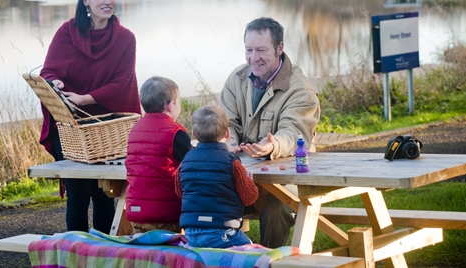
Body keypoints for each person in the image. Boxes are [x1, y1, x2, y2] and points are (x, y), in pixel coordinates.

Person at [39, 0, 142, 232]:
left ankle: (102, 252)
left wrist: (85, 98)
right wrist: (56, 83)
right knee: (77, 197)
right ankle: (77, 251)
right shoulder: (66, 32)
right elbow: (48, 71)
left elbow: (122, 82)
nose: (108, 1)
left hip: (107, 128)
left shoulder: (126, 39)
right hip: (71, 127)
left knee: (104, 196)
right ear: (85, 0)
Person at [219, 17, 320, 248]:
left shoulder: (301, 90)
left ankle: (269, 260)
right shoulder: (236, 78)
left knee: (276, 206)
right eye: (249, 50)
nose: (253, 58)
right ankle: (223, 258)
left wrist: (272, 146)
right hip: (243, 175)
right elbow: (226, 123)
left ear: (279, 48)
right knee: (207, 193)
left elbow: (294, 133)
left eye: (261, 50)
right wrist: (229, 141)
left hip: (291, 178)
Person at [176, 105, 258, 249]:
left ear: (194, 133)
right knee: (252, 250)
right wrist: (250, 182)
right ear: (227, 133)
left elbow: (180, 192)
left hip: (191, 234)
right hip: (223, 232)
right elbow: (249, 198)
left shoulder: (185, 161)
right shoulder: (232, 162)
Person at [124, 76, 193, 234]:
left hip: (136, 213)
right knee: (166, 250)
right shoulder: (174, 133)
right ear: (170, 106)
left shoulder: (135, 129)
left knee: (143, 248)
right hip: (165, 215)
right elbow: (195, 162)